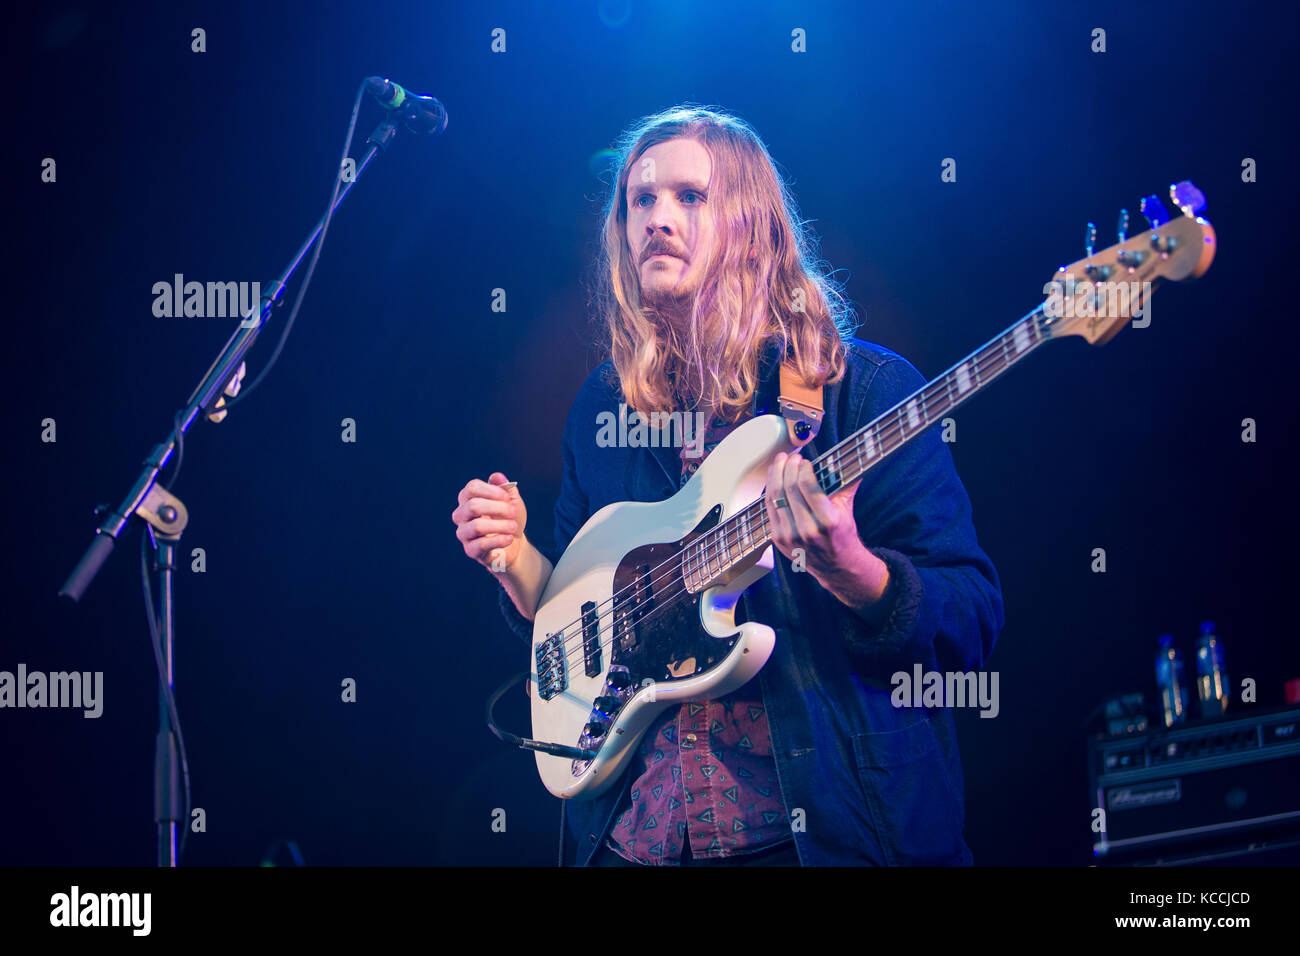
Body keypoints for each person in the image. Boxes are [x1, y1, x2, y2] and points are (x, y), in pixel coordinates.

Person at [453, 106, 1004, 866]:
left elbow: (970, 621)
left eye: (689, 197)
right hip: (633, 841)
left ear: (751, 226)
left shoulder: (862, 392)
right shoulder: (601, 410)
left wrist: (854, 571)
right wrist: (513, 557)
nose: (658, 219)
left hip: (817, 840)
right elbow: (582, 624)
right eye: (640, 201)